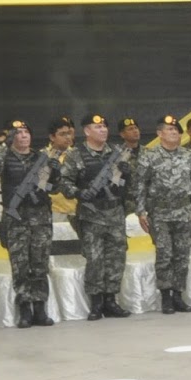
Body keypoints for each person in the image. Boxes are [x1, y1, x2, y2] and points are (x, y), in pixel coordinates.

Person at [57, 113, 132, 320]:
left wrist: (127, 174)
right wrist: (79, 192)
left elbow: (125, 185)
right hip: (91, 215)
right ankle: (96, 302)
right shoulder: (76, 155)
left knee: (116, 259)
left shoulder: (116, 152)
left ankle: (111, 300)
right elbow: (64, 182)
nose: (103, 130)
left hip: (115, 213)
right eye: (97, 127)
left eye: (105, 127)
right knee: (95, 259)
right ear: (87, 131)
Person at [0, 120, 57, 327]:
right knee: (20, 265)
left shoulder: (40, 158)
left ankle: (40, 309)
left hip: (40, 217)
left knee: (40, 263)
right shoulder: (4, 157)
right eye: (18, 133)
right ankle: (25, 309)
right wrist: (4, 145)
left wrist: (56, 172)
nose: (23, 136)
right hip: (16, 218)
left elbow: (50, 187)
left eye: (26, 132)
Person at [135, 115, 191, 315]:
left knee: (182, 255)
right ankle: (166, 296)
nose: (174, 132)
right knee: (165, 254)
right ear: (159, 133)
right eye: (169, 129)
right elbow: (140, 185)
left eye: (176, 130)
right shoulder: (149, 156)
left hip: (184, 212)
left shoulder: (188, 155)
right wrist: (141, 211)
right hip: (160, 213)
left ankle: (178, 295)